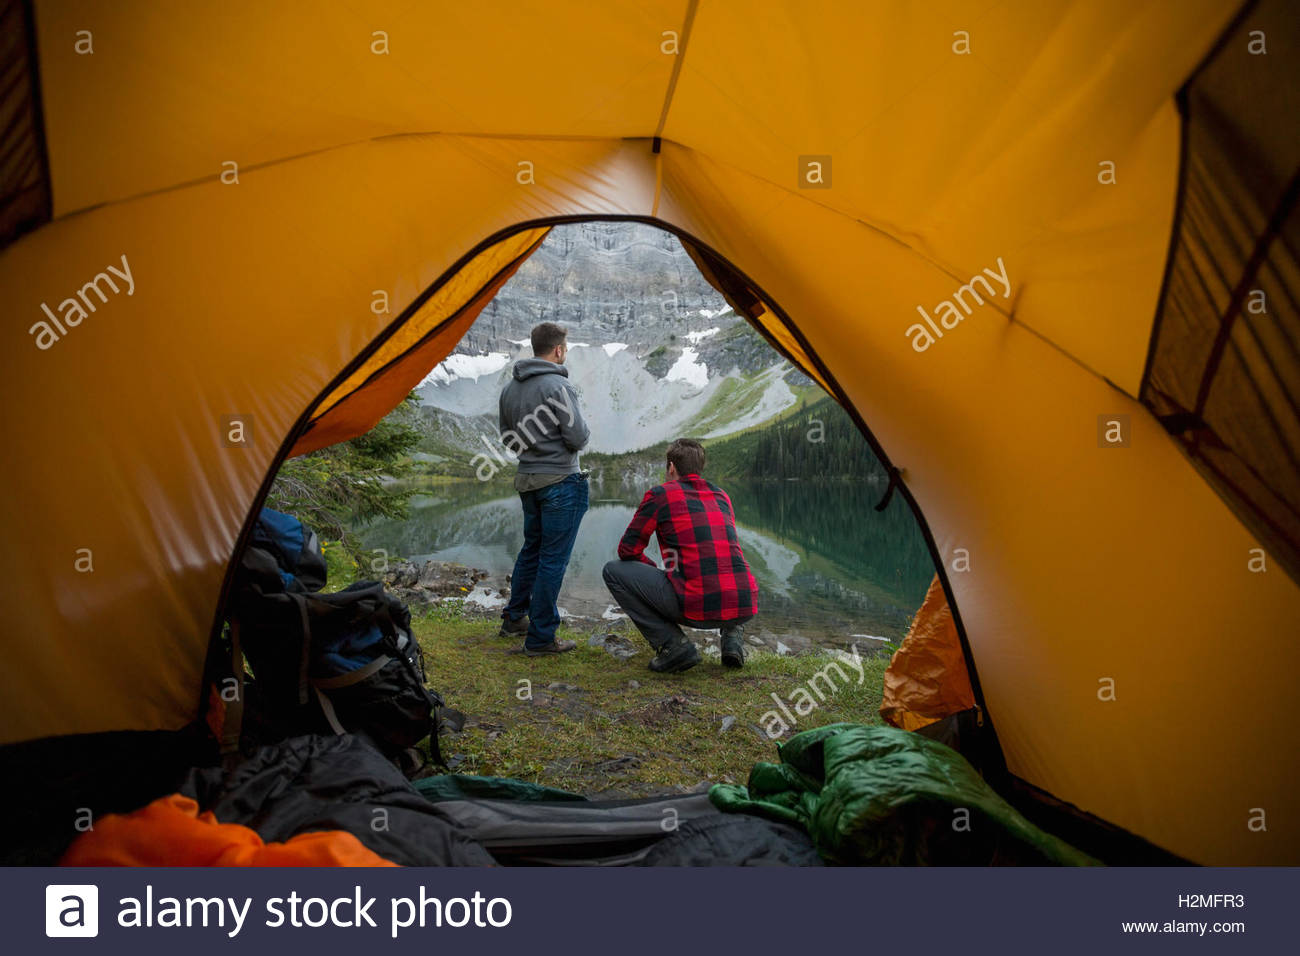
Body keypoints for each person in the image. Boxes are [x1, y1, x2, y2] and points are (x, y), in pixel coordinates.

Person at [603, 438, 758, 673]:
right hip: (744, 603)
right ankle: (732, 640)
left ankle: (673, 646)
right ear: (700, 467)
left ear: (672, 467)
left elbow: (628, 550)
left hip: (697, 605)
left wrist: (654, 570)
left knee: (613, 571)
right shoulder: (721, 496)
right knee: (725, 569)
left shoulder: (660, 495)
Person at [498, 322, 591, 655]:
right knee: (553, 560)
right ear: (559, 350)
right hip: (561, 482)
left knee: (531, 550)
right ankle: (540, 638)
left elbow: (508, 439)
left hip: (528, 481)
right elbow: (578, 438)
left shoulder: (510, 389)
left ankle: (514, 618)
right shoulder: (558, 387)